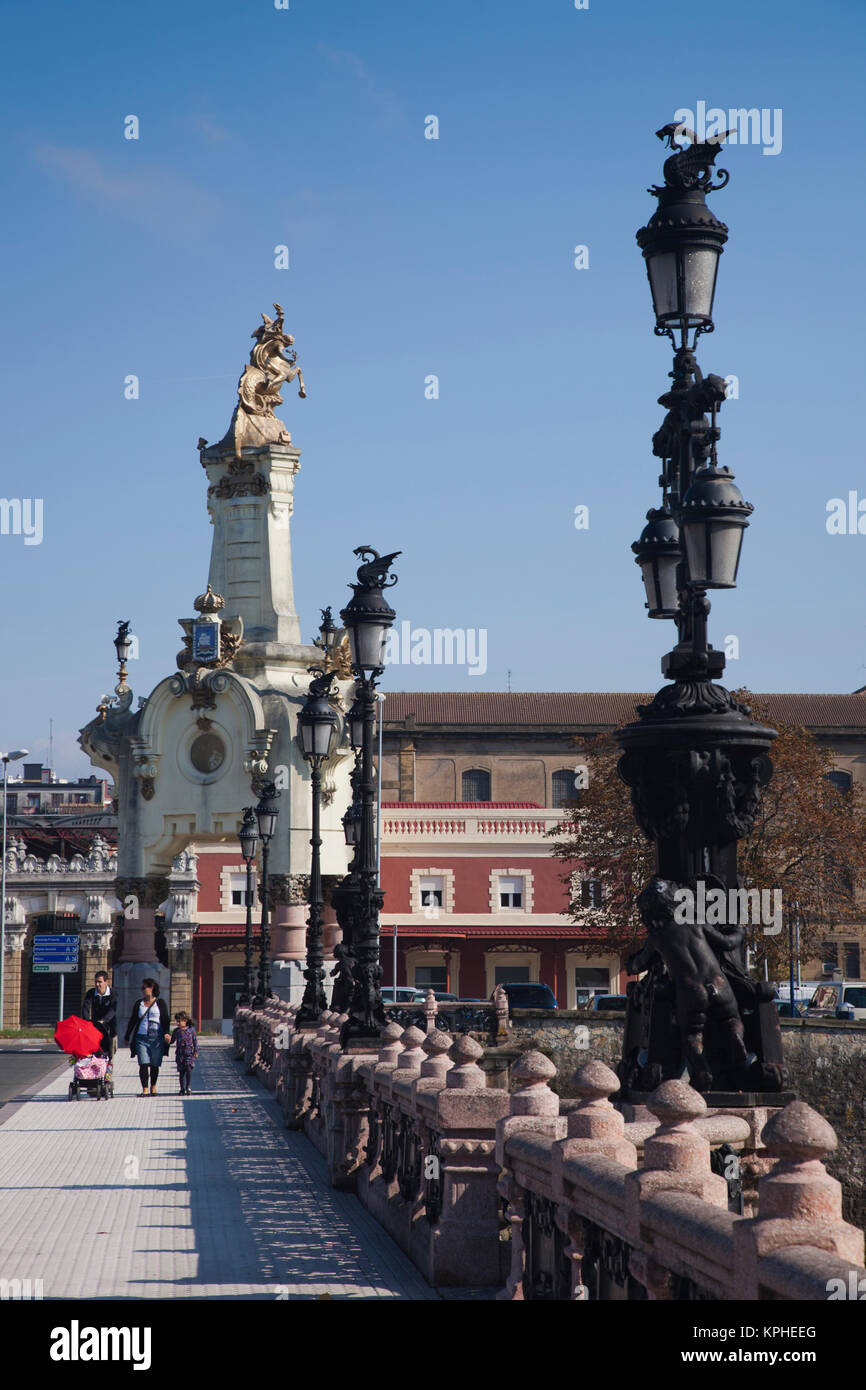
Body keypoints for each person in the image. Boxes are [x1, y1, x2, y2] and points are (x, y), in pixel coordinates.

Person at [124, 979, 171, 1096]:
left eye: (145, 987)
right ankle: (145, 1089)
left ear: (152, 988)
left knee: (155, 1064)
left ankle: (153, 1086)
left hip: (157, 1038)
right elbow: (133, 1020)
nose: (143, 990)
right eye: (142, 988)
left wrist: (166, 1032)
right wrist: (127, 1035)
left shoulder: (160, 1003)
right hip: (141, 1038)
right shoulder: (138, 1003)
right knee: (143, 1063)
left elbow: (165, 1019)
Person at [82, 970, 117, 1064]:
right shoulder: (91, 993)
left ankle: (107, 1077)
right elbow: (85, 1008)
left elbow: (113, 1010)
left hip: (110, 1029)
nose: (97, 984)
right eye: (96, 982)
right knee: (95, 1054)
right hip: (95, 1029)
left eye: (100, 982)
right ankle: (96, 1074)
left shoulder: (113, 993)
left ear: (106, 982)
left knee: (110, 1055)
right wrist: (86, 1022)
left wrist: (104, 1020)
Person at [169, 1012, 199, 1095]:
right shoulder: (176, 1031)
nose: (177, 1023)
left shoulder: (191, 1030)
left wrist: (196, 1051)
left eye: (179, 1021)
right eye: (177, 1021)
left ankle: (188, 1086)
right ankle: (182, 1088)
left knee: (189, 1070)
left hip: (189, 1054)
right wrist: (167, 1040)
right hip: (180, 1055)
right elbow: (172, 1041)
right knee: (181, 1072)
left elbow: (195, 1041)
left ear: (185, 1020)